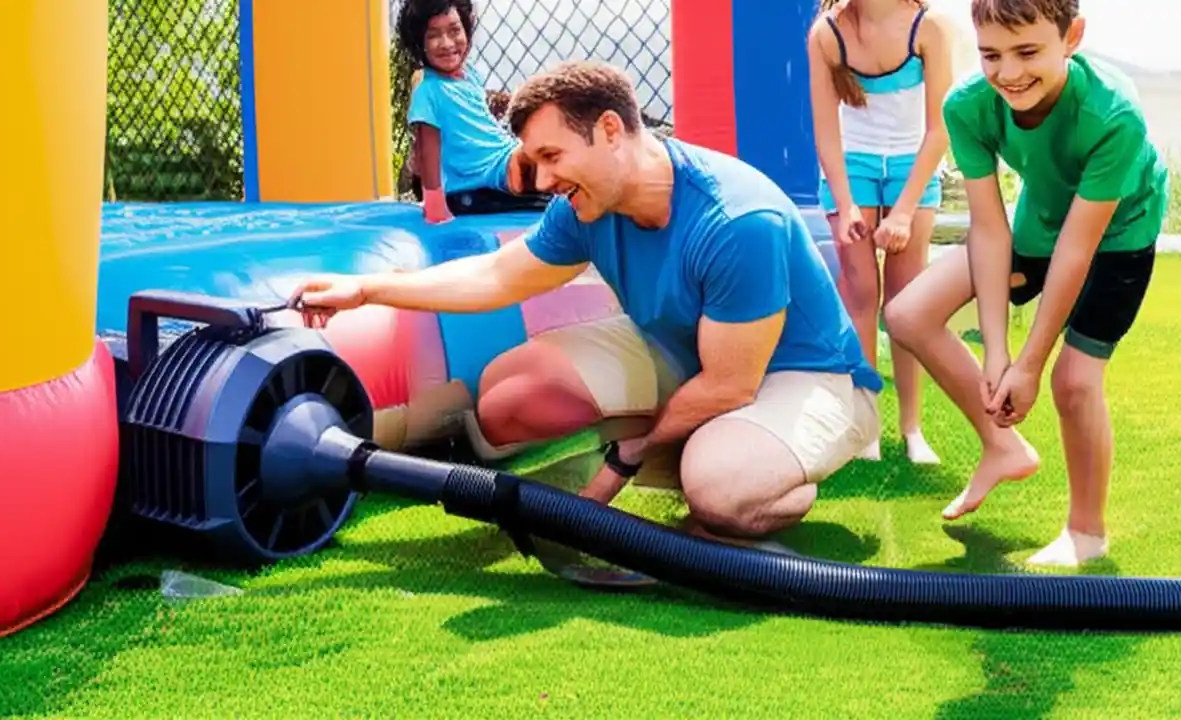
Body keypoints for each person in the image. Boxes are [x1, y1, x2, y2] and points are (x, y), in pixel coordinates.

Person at [291, 60, 883, 548]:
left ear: (607, 130)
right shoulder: (584, 206)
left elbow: (731, 384)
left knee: (720, 489)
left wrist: (622, 465)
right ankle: (703, 451)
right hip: (691, 350)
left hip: (803, 374)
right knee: (511, 395)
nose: (542, 180)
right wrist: (366, 290)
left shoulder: (736, 221)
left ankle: (762, 476)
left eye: (552, 156)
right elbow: (498, 276)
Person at [883, 0, 1168, 566]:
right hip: (1038, 222)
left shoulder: (1114, 114)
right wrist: (996, 352)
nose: (1009, 72)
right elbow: (989, 228)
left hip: (1119, 235)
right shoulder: (967, 107)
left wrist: (1029, 364)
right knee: (907, 314)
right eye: (991, 54)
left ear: (1072, 37)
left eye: (1028, 52)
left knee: (1073, 381)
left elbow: (1080, 247)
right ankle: (1000, 445)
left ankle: (1086, 534)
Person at [808, 0, 954, 464]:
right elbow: (827, 132)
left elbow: (939, 130)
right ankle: (865, 423)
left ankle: (912, 428)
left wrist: (905, 212)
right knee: (861, 291)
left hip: (914, 166)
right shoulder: (826, 34)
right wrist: (846, 202)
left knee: (906, 301)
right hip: (853, 166)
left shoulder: (926, 27)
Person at [397, 0, 548, 223]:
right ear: (420, 43)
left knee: (550, 147)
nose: (447, 43)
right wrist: (435, 204)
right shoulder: (428, 91)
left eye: (454, 30)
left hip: (504, 157)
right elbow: (427, 148)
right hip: (477, 186)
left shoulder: (469, 75)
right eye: (433, 35)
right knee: (540, 160)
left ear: (466, 29)